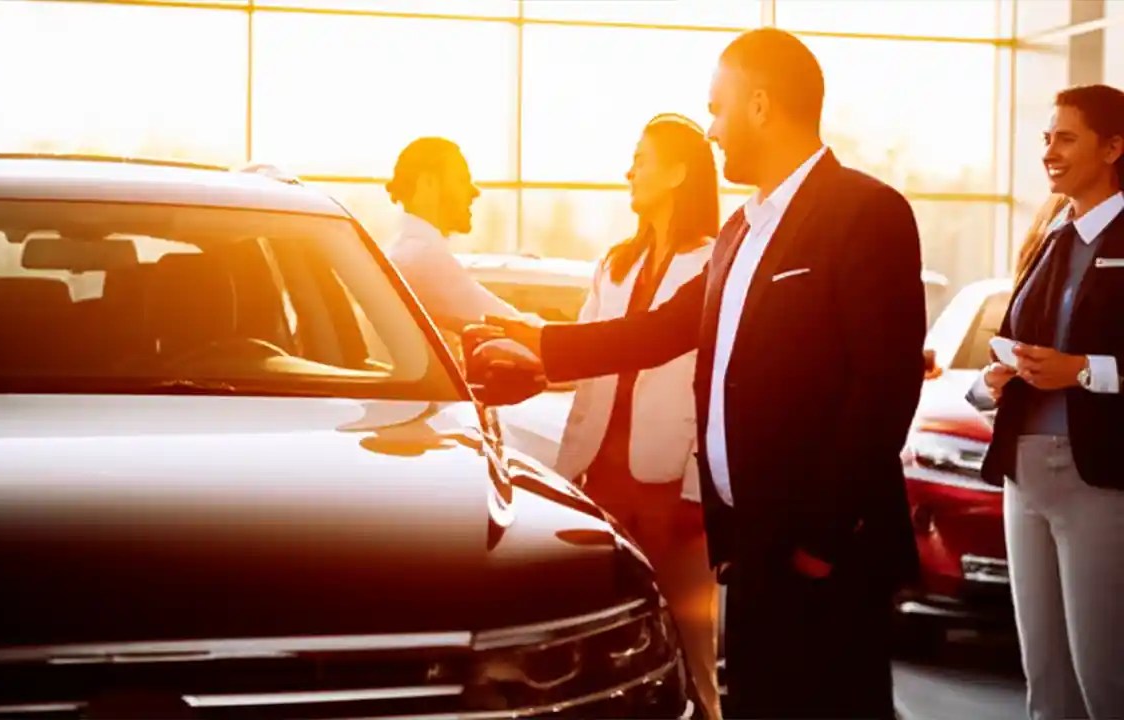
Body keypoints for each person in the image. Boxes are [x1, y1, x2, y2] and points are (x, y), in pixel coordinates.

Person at [479, 28, 925, 718]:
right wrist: (541, 348)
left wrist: (820, 543)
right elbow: (660, 331)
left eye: (716, 109)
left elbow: (882, 388)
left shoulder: (867, 212)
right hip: (750, 546)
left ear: (760, 104)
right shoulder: (740, 231)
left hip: (823, 552)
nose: (711, 131)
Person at [553, 112, 722, 720]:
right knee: (604, 659)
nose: (629, 170)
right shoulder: (614, 264)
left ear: (679, 172)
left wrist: (695, 490)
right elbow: (585, 361)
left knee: (693, 656)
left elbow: (715, 390)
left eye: (642, 159)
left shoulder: (713, 265)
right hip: (601, 484)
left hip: (671, 492)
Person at [970, 84, 1124, 720]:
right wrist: (993, 381)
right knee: (1046, 685)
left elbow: (1080, 366)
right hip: (1022, 475)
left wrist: (1083, 371)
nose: (1049, 152)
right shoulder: (1047, 234)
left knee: (1105, 681)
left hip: (1097, 479)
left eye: (1066, 138)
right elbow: (1006, 347)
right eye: (1045, 138)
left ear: (1113, 147)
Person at [383, 137, 521, 339]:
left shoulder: (409, 254)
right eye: (462, 180)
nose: (475, 192)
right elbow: (508, 324)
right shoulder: (423, 259)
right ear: (428, 183)